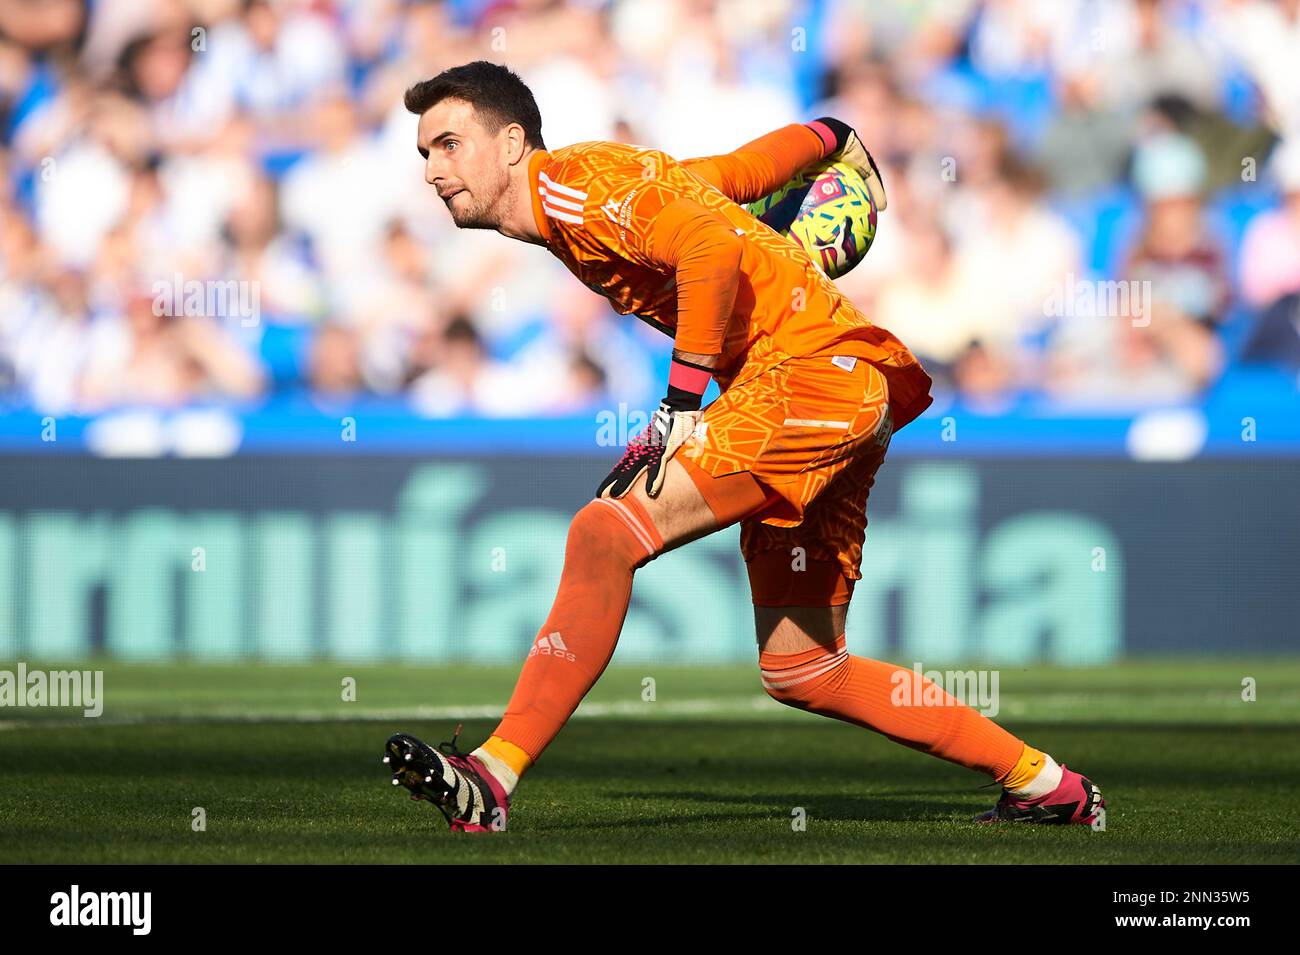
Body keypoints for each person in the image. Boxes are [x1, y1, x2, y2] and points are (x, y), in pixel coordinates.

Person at [383, 60, 1104, 832]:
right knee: (806, 667)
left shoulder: (575, 183)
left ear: (514, 141)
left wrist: (679, 402)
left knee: (602, 533)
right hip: (841, 389)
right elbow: (728, 177)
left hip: (802, 383)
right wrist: (829, 136)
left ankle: (492, 775)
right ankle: (1047, 784)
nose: (433, 170)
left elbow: (711, 250)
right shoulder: (609, 193)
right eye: (425, 152)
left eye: (449, 144)